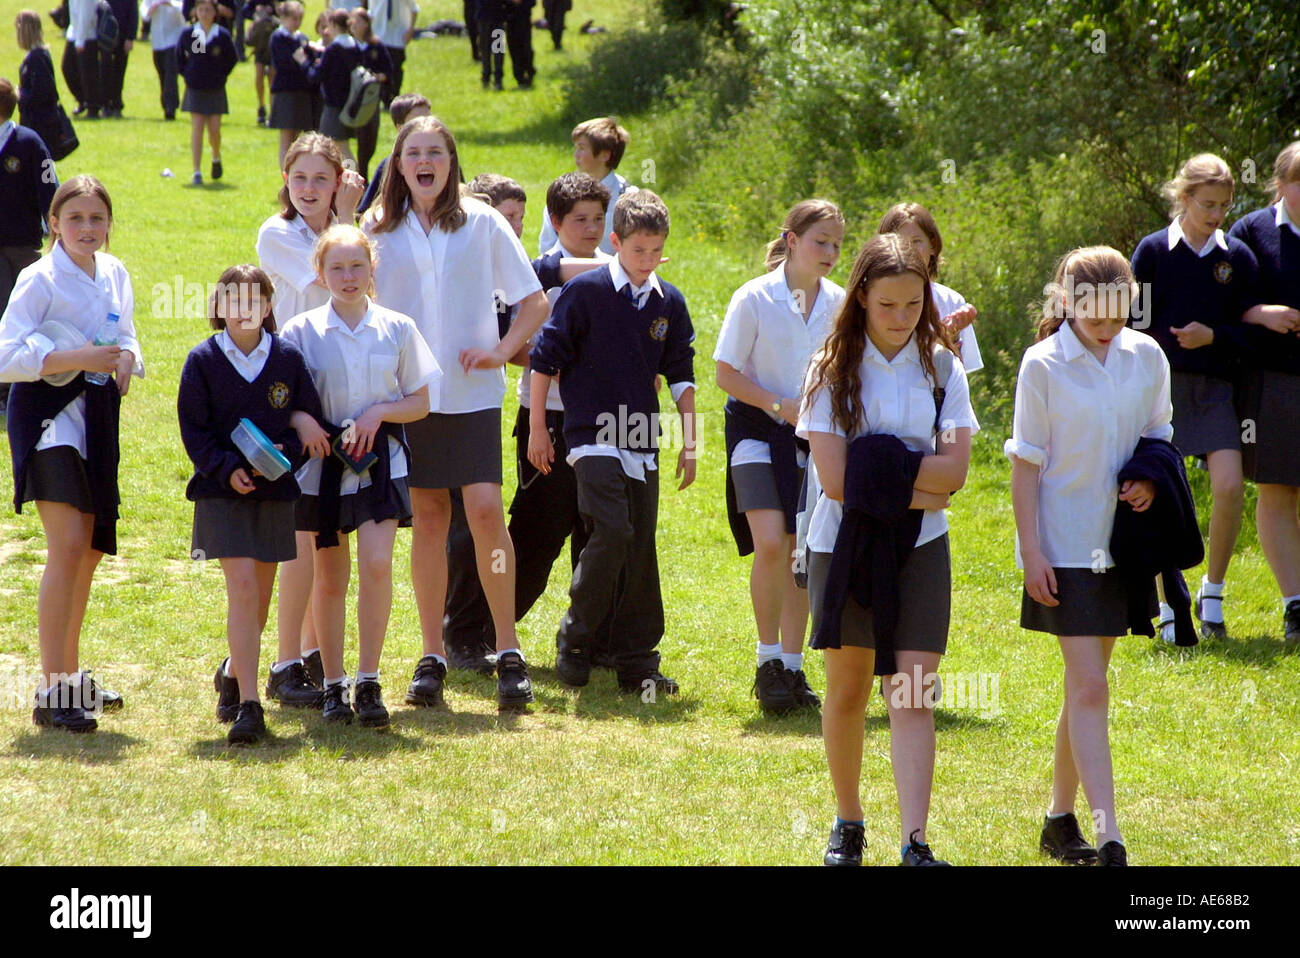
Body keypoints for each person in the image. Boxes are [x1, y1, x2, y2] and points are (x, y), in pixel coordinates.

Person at [798, 233, 975, 867]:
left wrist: (891, 471)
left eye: (913, 304)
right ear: (862, 298)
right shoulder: (829, 369)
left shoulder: (943, 368)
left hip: (922, 548)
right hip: (841, 544)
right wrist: (917, 480)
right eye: (887, 306)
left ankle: (915, 842)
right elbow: (840, 482)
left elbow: (955, 472)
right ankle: (848, 823)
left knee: (912, 693)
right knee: (846, 692)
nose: (901, 319)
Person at [362, 114, 549, 711]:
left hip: (471, 395)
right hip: (411, 397)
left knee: (487, 509)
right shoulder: (377, 228)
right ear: (398, 163)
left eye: (436, 152)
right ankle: (431, 654)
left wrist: (498, 351)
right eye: (413, 152)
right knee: (430, 518)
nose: (425, 162)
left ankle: (508, 649)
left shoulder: (484, 221)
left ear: (451, 161)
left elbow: (534, 301)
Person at [1008, 246, 1173, 867]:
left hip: (1126, 547)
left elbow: (1159, 436)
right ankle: (1110, 837)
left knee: (1085, 689)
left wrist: (1151, 480)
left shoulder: (1148, 356)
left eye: (1117, 315)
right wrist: (1031, 552)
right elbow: (1026, 466)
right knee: (1091, 687)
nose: (1106, 328)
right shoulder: (1041, 364)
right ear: (1066, 304)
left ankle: (1058, 821)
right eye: (1093, 316)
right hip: (1065, 545)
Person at [528, 189, 696, 694]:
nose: (647, 262)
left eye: (656, 251)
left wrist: (691, 443)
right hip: (591, 435)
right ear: (616, 242)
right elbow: (543, 360)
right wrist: (538, 428)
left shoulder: (671, 303)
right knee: (614, 530)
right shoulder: (586, 292)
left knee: (640, 546)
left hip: (642, 436)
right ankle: (575, 639)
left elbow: (683, 376)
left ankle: (637, 660)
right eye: (638, 250)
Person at [0, 175, 145, 732]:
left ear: (109, 225)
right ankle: (52, 690)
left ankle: (71, 673)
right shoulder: (37, 279)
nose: (88, 228)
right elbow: (7, 356)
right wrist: (71, 356)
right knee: (65, 547)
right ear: (53, 224)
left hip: (97, 422)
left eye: (97, 218)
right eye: (76, 218)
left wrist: (127, 360)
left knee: (87, 550)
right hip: (46, 424)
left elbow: (128, 336)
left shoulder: (115, 273)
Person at [279, 225, 439, 726]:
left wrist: (379, 414)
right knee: (329, 577)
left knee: (376, 565)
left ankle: (368, 681)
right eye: (337, 268)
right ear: (320, 274)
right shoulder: (299, 331)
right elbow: (280, 401)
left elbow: (420, 402)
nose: (348, 277)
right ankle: (332, 683)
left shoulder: (397, 327)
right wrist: (302, 420)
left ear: (372, 269)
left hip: (380, 466)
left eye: (357, 266)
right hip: (320, 470)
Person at [178, 265, 327, 744]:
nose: (245, 311)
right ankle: (249, 705)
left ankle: (231, 669)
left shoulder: (286, 358)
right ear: (218, 308)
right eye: (233, 301)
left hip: (274, 493)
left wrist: (283, 457)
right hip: (222, 494)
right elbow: (194, 431)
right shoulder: (202, 360)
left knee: (258, 599)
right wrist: (226, 468)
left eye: (255, 301)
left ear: (268, 307)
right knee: (242, 587)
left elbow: (306, 421)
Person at [715, 199, 845, 715]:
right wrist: (779, 405)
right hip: (754, 432)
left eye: (837, 243)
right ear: (791, 241)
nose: (831, 252)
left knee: (800, 555)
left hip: (814, 442)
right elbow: (725, 373)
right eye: (821, 242)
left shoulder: (840, 302)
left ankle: (792, 667)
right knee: (770, 543)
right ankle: (767, 660)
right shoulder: (753, 297)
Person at [1131, 154, 1260, 642]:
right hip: (1158, 389)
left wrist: (1215, 338)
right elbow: (1132, 323)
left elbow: (1251, 333)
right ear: (1183, 198)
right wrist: (1162, 345)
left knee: (1229, 485)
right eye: (1207, 204)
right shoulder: (1151, 252)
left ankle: (1214, 592)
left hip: (1214, 391)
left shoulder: (1238, 258)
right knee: (1160, 493)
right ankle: (1169, 605)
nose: (1215, 215)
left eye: (1224, 206)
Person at [1228, 141, 1300, 648]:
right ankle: (1295, 605)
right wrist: (1261, 314)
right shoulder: (1251, 233)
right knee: (1278, 492)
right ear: (1280, 185)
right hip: (1273, 382)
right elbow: (1221, 303)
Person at [0, 74, 59, 418]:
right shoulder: (32, 140)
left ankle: (18, 385)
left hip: (23, 247)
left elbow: (50, 189)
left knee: (22, 314)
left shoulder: (29, 143)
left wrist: (56, 230)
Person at [877, 203, 982, 374]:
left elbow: (960, 375)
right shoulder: (871, 299)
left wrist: (949, 343)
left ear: (932, 245)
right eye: (900, 242)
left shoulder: (951, 301)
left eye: (916, 241)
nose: (908, 250)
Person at [537, 116, 631, 256]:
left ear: (605, 155)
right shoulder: (564, 194)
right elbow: (547, 245)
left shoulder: (628, 196)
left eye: (582, 148)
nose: (576, 155)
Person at [176, 0, 237, 185]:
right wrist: (188, 74)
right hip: (195, 88)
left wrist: (221, 76)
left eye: (208, 10)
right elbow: (179, 57)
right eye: (201, 9)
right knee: (197, 127)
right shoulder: (189, 33)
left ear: (214, 13)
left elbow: (232, 58)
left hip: (216, 88)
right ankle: (196, 171)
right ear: (195, 11)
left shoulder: (222, 35)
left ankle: (216, 157)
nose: (204, 13)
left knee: (215, 129)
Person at [356, 91, 430, 216]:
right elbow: (364, 213)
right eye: (416, 122)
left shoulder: (444, 160)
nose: (425, 127)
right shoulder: (389, 165)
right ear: (400, 128)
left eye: (429, 120)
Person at [308, 8, 361, 169]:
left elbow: (317, 76)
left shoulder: (334, 49)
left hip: (334, 105)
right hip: (351, 104)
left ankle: (354, 181)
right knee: (342, 147)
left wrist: (306, 64)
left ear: (333, 24)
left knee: (340, 147)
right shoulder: (355, 46)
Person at [266, 1, 316, 164]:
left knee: (298, 138)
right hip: (285, 91)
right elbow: (283, 63)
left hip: (301, 91)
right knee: (286, 137)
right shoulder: (278, 37)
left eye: (299, 19)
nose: (297, 22)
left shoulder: (301, 38)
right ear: (283, 17)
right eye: (293, 18)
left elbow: (307, 60)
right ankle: (285, 177)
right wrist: (300, 61)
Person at [347, 8, 392, 183]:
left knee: (369, 138)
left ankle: (363, 171)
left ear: (367, 24)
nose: (355, 25)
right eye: (352, 22)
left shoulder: (375, 45)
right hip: (350, 100)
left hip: (370, 98)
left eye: (358, 21)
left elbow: (388, 70)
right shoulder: (347, 46)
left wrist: (378, 77)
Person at [140, 0, 186, 120]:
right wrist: (152, 9)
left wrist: (169, 4)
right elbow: (144, 13)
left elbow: (183, 12)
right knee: (162, 73)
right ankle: (165, 104)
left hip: (174, 39)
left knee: (171, 73)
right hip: (158, 41)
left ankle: (170, 107)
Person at [367, 0, 417, 103]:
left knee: (396, 68)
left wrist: (411, 29)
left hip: (397, 36)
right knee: (379, 68)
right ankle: (382, 97)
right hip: (379, 34)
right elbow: (371, 11)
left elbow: (414, 9)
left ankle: (394, 96)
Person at [101, 0, 138, 117]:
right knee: (105, 70)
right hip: (105, 34)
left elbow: (133, 15)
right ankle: (105, 104)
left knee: (119, 71)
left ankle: (116, 103)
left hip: (122, 34)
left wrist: (130, 37)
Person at [242, 0, 276, 126]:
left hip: (273, 38)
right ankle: (261, 107)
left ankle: (273, 111)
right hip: (260, 42)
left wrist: (273, 10)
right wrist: (257, 11)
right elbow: (245, 11)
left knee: (273, 77)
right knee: (259, 76)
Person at [67, 0, 103, 119]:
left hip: (86, 36)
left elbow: (86, 14)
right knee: (68, 68)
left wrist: (80, 39)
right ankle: (82, 100)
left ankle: (93, 107)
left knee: (88, 74)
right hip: (74, 33)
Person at [475, 0, 506, 91]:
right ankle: (486, 77)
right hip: (483, 15)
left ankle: (498, 79)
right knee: (485, 49)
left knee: (498, 50)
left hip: (498, 16)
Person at [504, 0, 534, 89]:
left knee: (526, 49)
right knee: (514, 50)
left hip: (524, 20)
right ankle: (519, 77)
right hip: (511, 21)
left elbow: (532, 2)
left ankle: (529, 72)